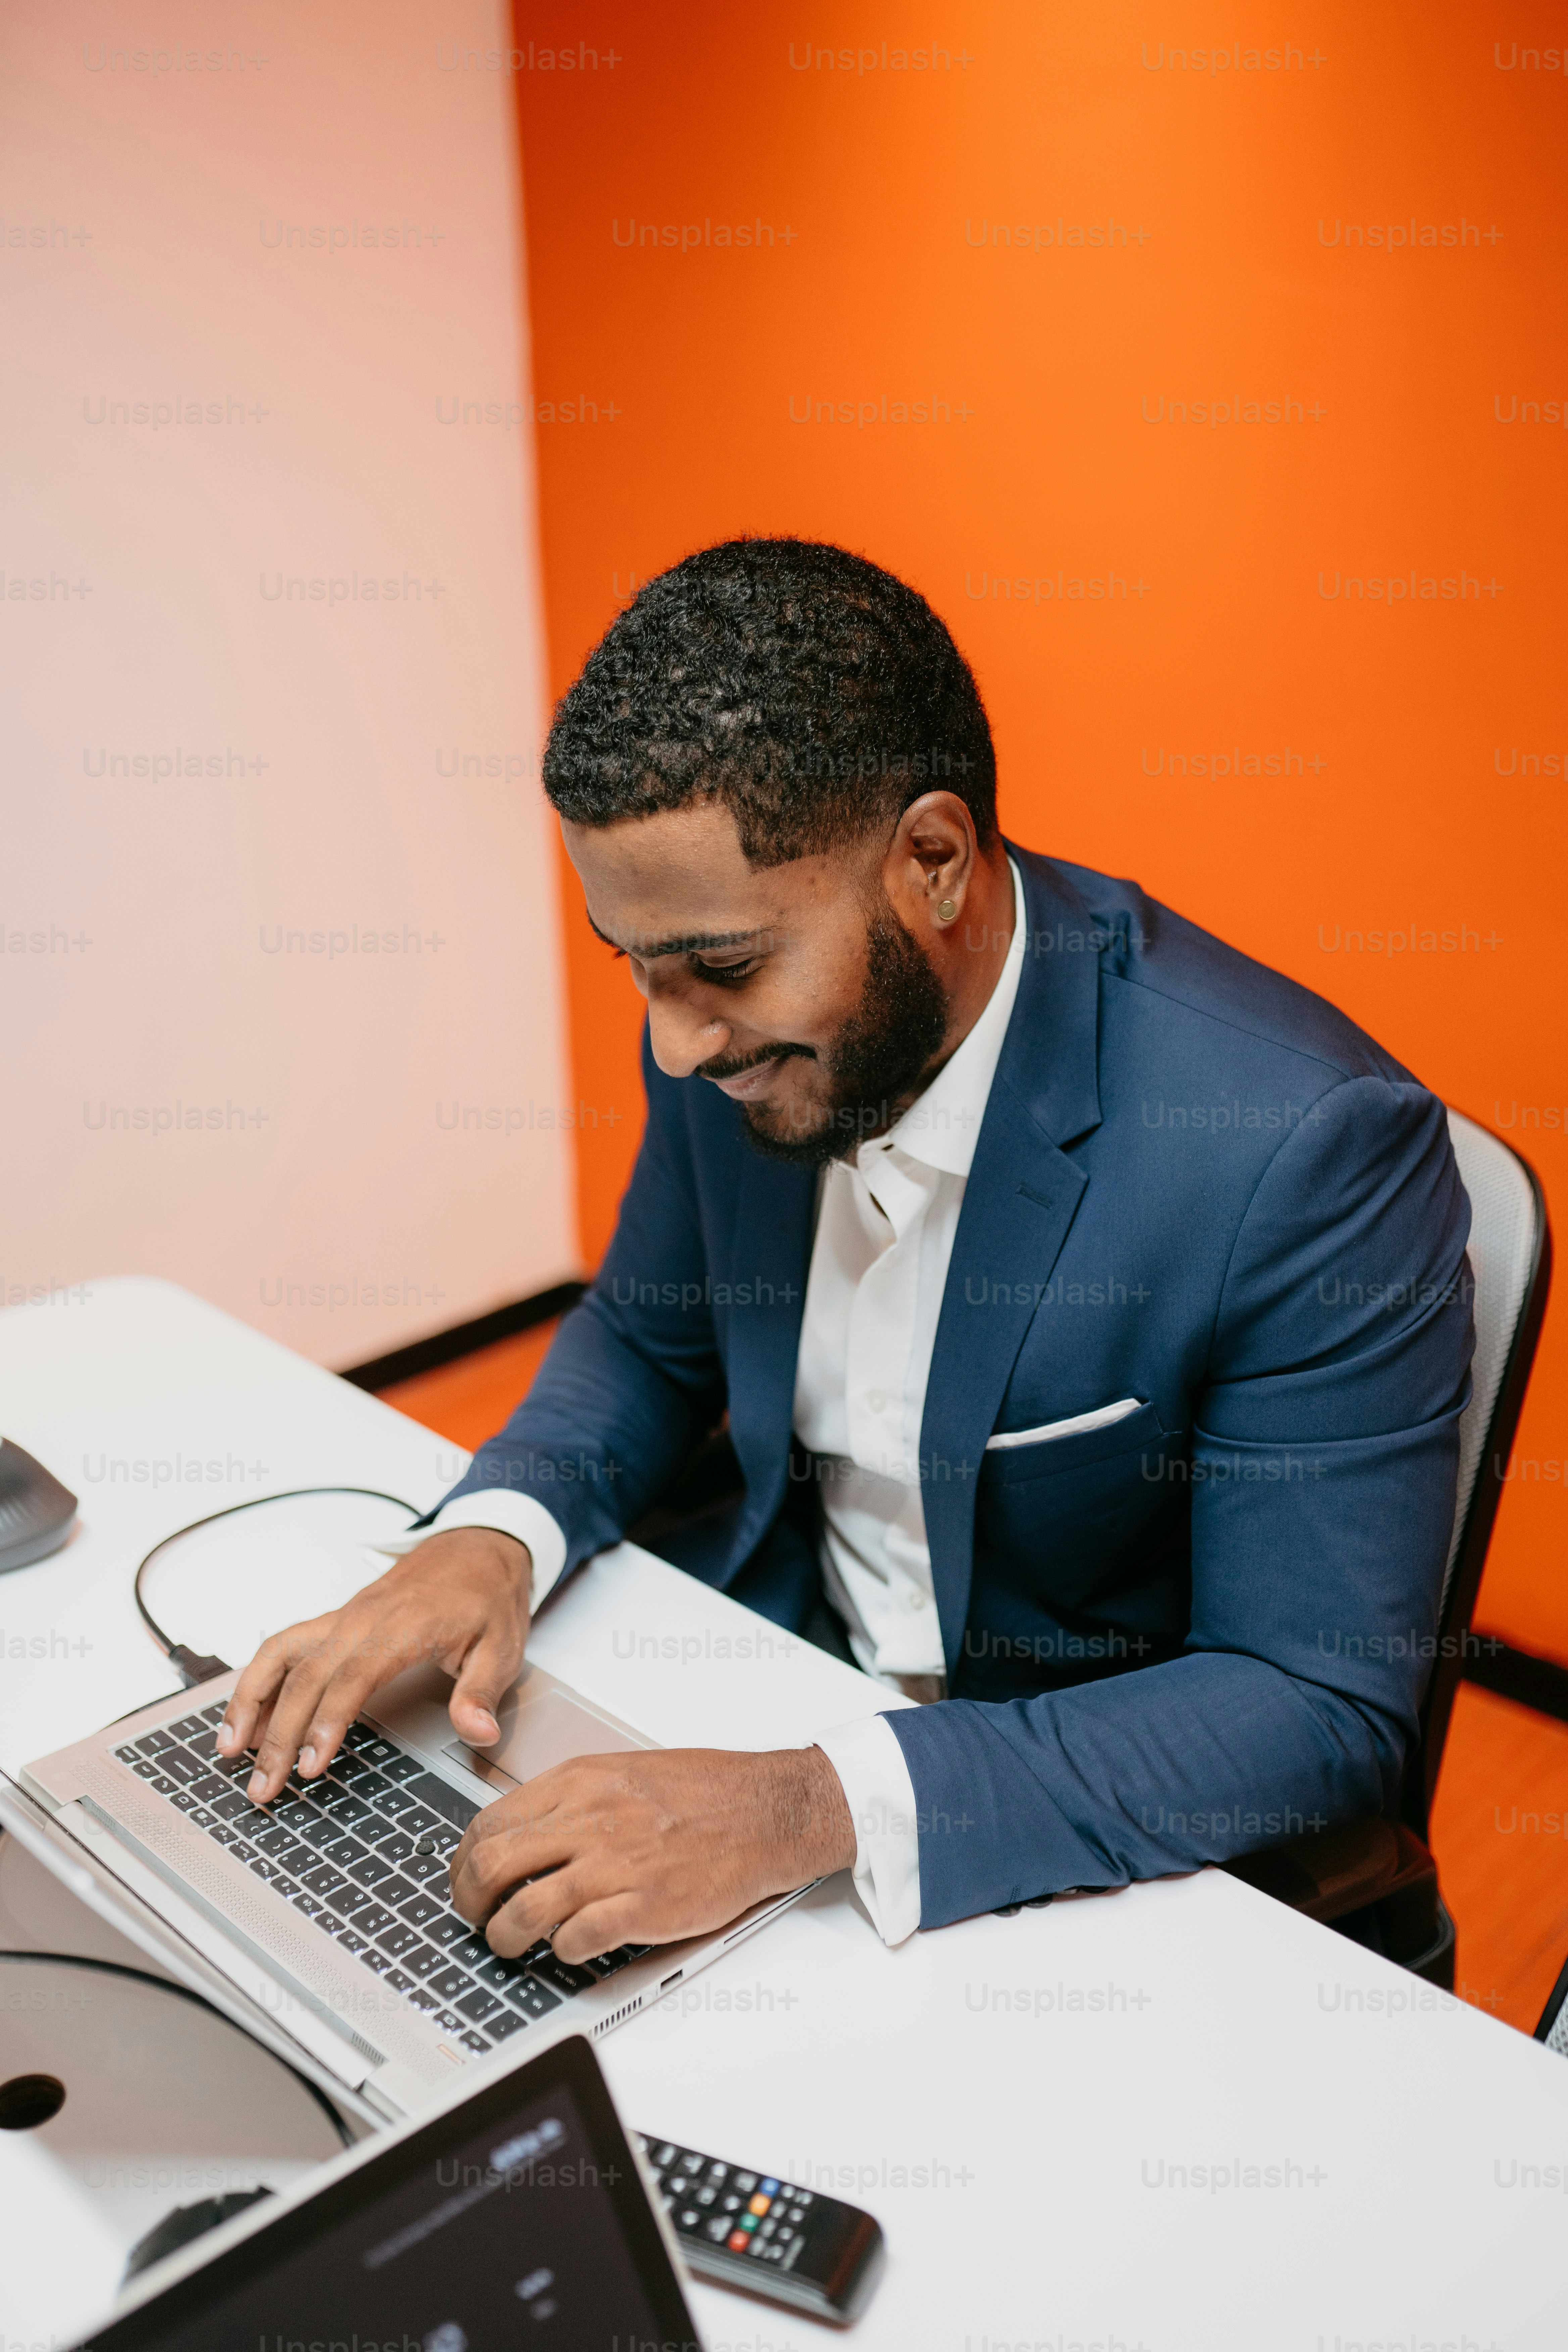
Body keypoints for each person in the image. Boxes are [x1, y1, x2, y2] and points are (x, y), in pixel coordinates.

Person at [218, 538, 1473, 1969]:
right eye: (633, 964)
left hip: (1080, 1860)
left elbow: (1310, 1704)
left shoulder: (1298, 1150)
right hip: (773, 1675)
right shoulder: (731, 1033)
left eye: (725, 968)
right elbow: (647, 1334)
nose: (676, 1043)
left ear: (930, 862)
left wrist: (805, 1808)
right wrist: (488, 1539)